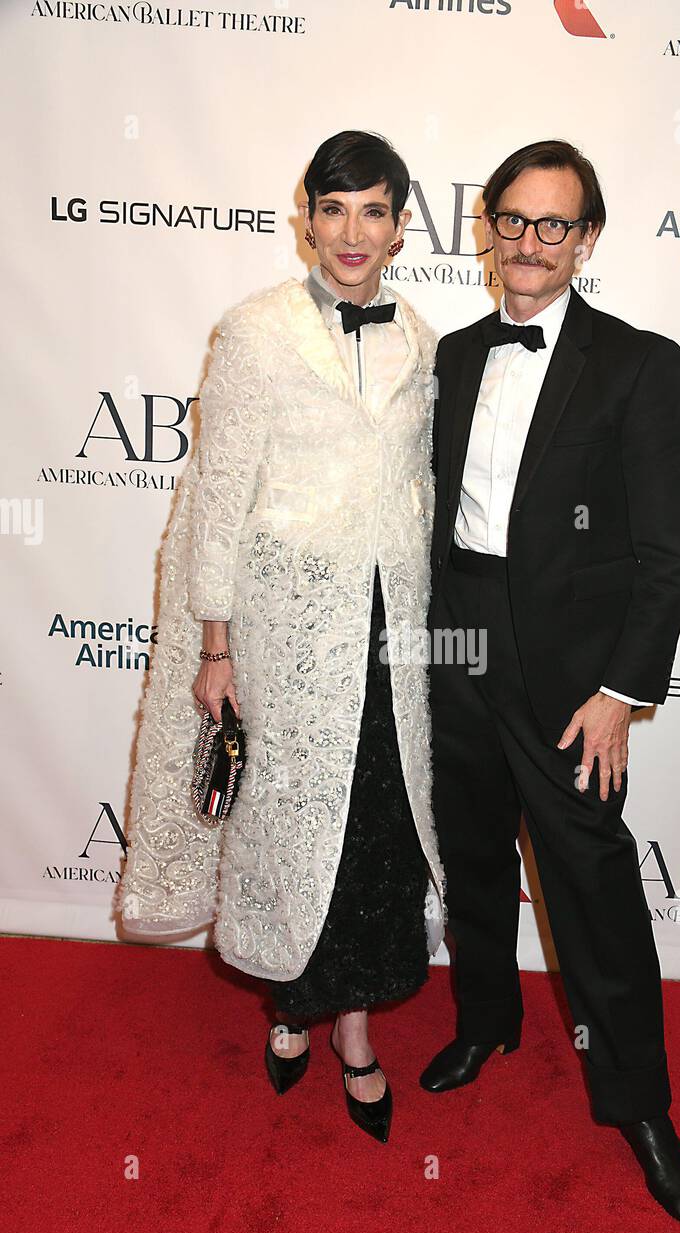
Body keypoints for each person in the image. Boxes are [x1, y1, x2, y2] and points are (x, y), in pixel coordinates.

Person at [119, 130, 446, 1145]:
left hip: (388, 639)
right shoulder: (254, 332)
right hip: (282, 638)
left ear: (400, 226)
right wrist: (215, 647)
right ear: (306, 219)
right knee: (289, 828)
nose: (352, 232)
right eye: (333, 208)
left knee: (374, 833)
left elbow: (419, 490)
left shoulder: (421, 340)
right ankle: (293, 1007)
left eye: (373, 211)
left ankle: (354, 1027)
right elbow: (219, 499)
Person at [422, 140, 680, 1219]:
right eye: (513, 219)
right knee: (472, 853)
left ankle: (639, 1104)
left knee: (590, 886)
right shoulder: (453, 355)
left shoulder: (639, 363)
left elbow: (665, 551)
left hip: (575, 676)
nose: (530, 242)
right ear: (487, 226)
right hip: (457, 635)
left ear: (585, 240)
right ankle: (485, 1021)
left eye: (554, 224)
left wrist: (621, 693)